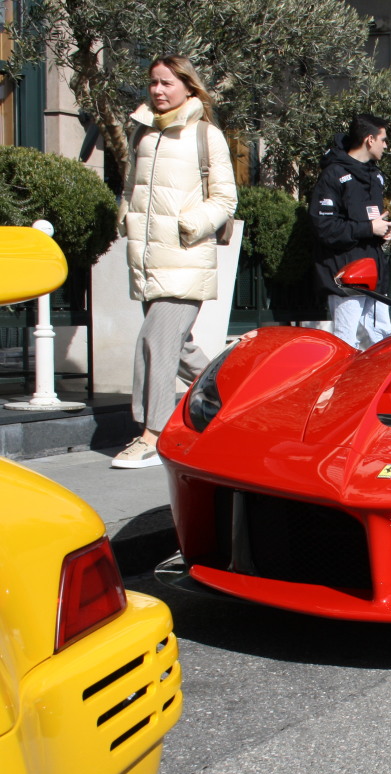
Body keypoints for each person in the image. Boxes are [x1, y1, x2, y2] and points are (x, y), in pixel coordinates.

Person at [113, 55, 236, 469]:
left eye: (166, 82)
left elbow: (225, 198)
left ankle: (153, 433)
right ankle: (236, 398)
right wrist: (125, 218)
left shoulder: (206, 135)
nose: (158, 90)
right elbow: (133, 189)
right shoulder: (143, 133)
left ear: (188, 86)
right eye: (153, 83)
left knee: (155, 340)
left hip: (185, 256)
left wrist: (192, 224)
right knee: (176, 348)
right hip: (149, 259)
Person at [309, 114, 391, 350]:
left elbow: (368, 222)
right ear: (370, 140)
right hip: (347, 278)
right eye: (383, 139)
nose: (386, 145)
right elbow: (324, 228)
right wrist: (369, 228)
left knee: (383, 339)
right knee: (347, 343)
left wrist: (380, 232)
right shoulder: (333, 174)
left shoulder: (375, 176)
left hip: (375, 277)